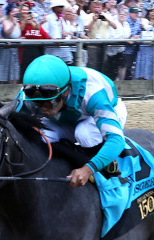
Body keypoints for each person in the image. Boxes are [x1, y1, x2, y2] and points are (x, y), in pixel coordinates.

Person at [17, 54, 127, 189]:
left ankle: (110, 169)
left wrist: (87, 169)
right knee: (44, 136)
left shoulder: (93, 93)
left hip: (109, 110)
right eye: (37, 104)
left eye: (49, 103)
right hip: (67, 116)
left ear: (65, 91)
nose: (43, 109)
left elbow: (117, 140)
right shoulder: (28, 93)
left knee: (84, 134)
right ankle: (74, 159)